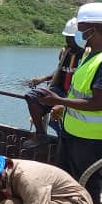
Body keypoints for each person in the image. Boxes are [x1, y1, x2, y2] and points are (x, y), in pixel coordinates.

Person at [36, 2, 102, 204]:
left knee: (87, 184)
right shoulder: (90, 55)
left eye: (83, 27)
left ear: (95, 29)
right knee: (67, 181)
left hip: (92, 138)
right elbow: (80, 92)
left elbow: (97, 103)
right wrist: (63, 109)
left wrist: (60, 101)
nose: (80, 33)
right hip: (73, 131)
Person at [23, 17, 86, 149]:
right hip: (59, 90)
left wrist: (63, 103)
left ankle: (65, 140)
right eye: (66, 38)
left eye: (70, 38)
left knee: (55, 117)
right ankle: (41, 135)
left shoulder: (86, 56)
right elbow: (60, 70)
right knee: (32, 97)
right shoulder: (66, 52)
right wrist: (42, 79)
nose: (67, 41)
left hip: (74, 95)